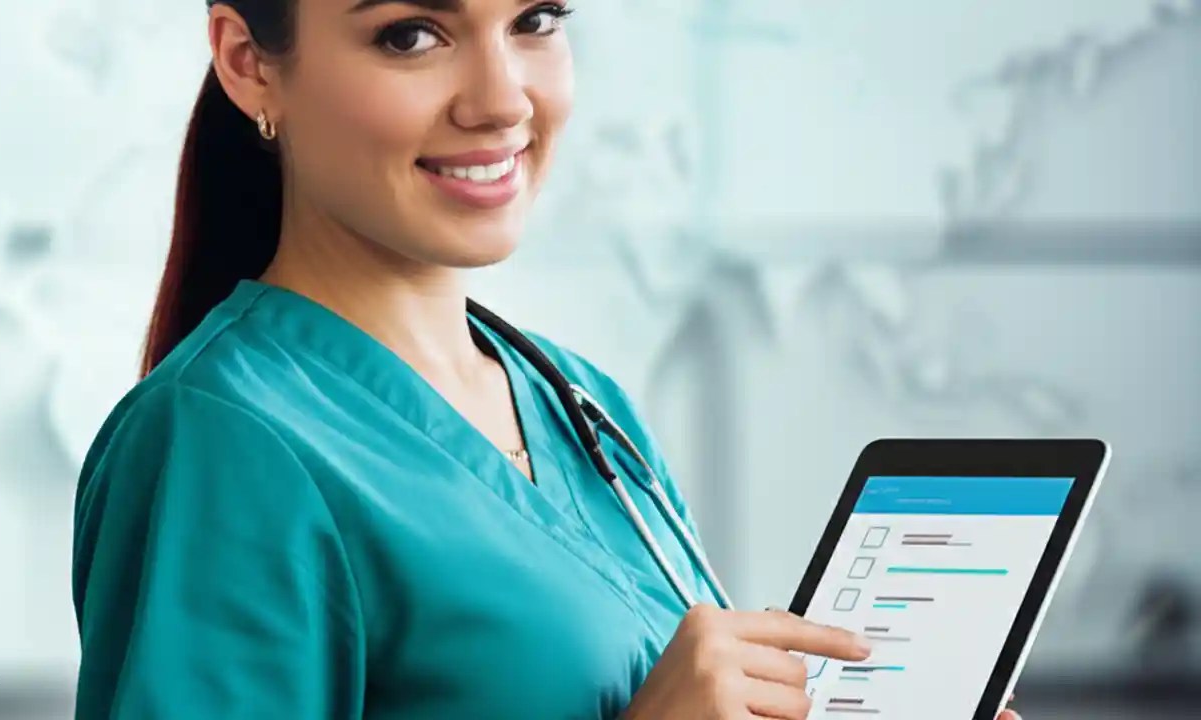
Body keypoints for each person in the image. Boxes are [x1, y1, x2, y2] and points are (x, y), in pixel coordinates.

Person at [69, 1, 1024, 718]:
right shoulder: (221, 439)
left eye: (534, 19)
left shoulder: (576, 399)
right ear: (249, 63)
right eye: (410, 34)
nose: (501, 100)